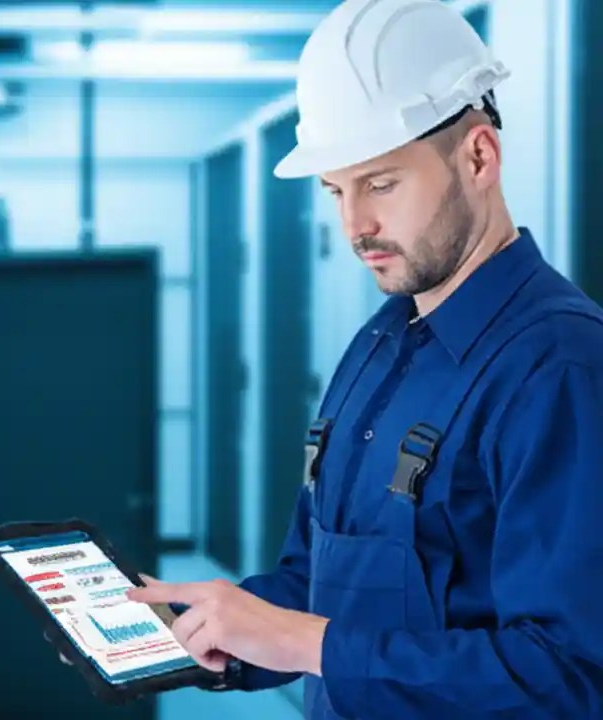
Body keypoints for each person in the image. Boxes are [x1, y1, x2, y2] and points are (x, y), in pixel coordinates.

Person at [125, 0, 603, 718]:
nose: (357, 226)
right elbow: (313, 582)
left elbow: (569, 676)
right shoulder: (379, 348)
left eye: (381, 183)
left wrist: (309, 644)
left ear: (479, 156)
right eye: (336, 191)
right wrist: (207, 633)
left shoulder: (559, 368)